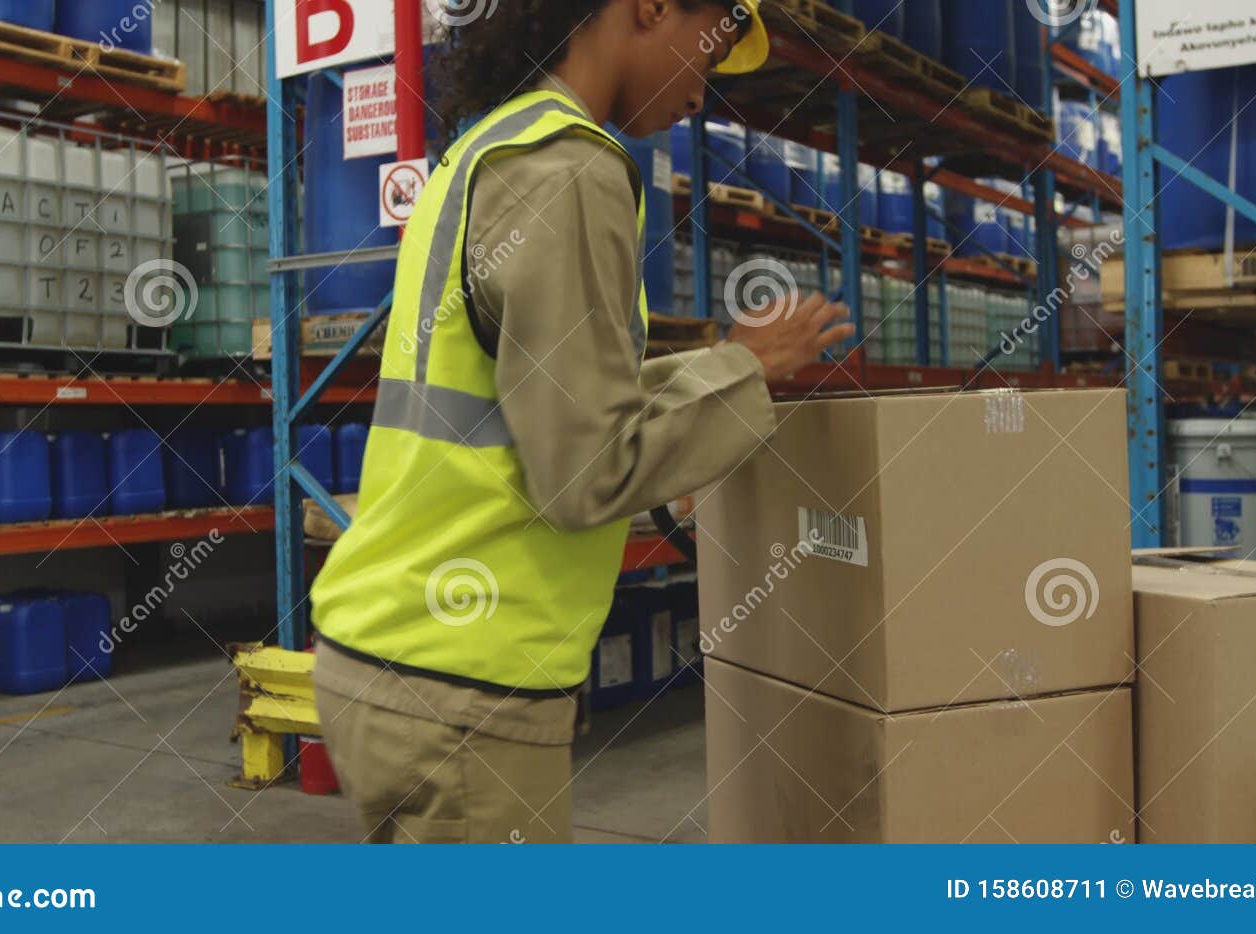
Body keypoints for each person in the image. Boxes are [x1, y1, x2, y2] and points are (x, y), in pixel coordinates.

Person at [311, 0, 854, 843]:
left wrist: (724, 370)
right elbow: (583, 471)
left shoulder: (496, 146)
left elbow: (549, 396)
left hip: (396, 652)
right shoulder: (568, 172)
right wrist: (743, 371)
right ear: (652, 8)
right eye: (707, 60)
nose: (698, 98)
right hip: (461, 678)